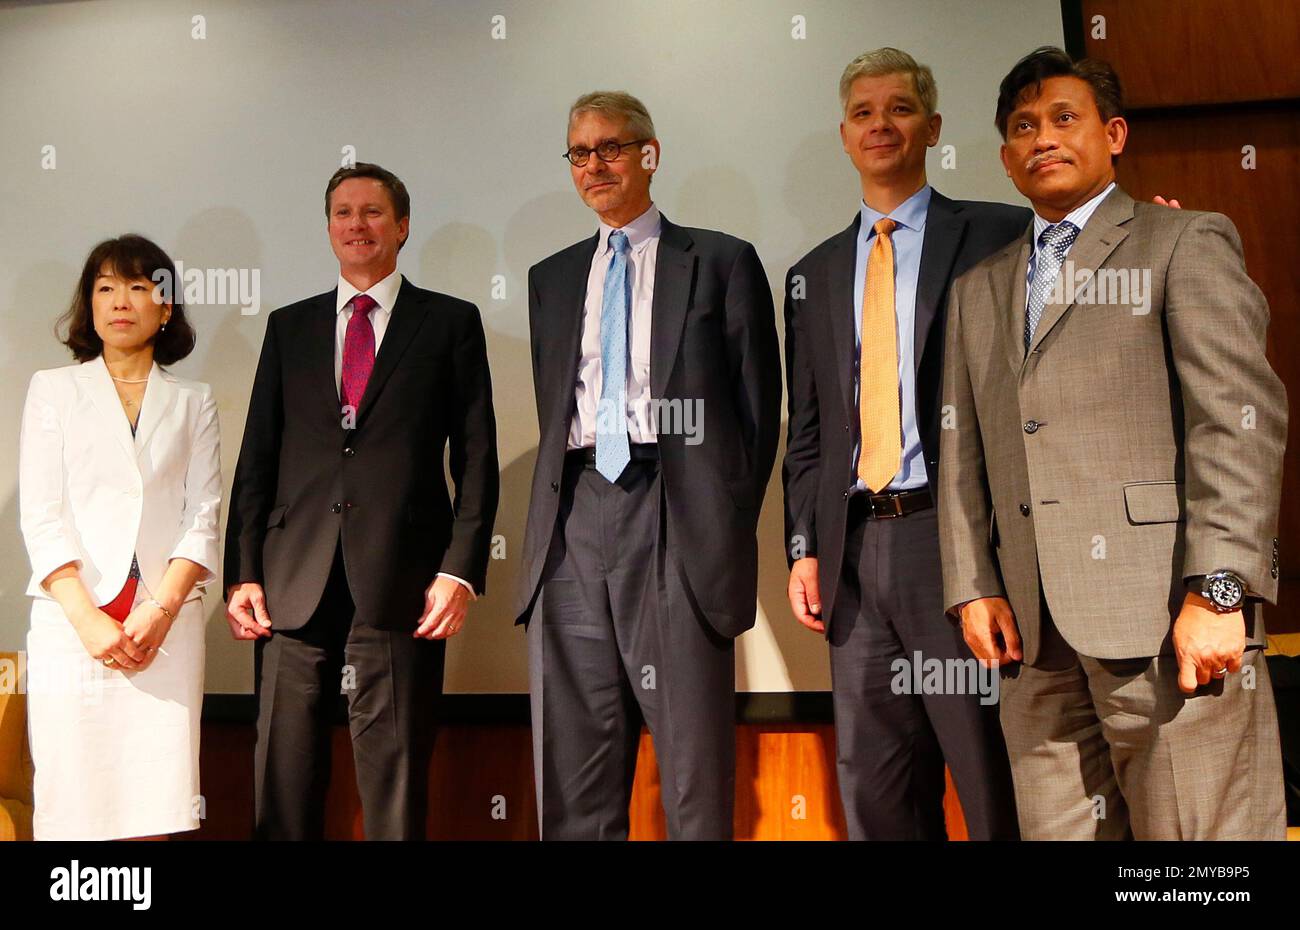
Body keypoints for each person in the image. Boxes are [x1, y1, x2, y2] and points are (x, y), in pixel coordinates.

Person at [939, 46, 1287, 839]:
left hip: (1167, 619)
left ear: (1115, 133)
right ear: (1004, 155)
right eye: (1023, 126)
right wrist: (971, 583)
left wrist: (1219, 591)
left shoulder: (1182, 241)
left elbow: (1237, 424)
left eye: (1066, 118)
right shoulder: (978, 289)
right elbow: (964, 453)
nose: (1043, 138)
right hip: (1032, 640)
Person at [516, 91, 781, 839]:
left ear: (649, 154)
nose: (594, 165)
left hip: (675, 514)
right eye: (579, 153)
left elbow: (757, 417)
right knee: (574, 776)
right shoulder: (553, 277)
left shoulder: (721, 261)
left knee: (694, 778)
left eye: (611, 148)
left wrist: (718, 514)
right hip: (572, 521)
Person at [782, 48, 1022, 840]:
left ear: (933, 126)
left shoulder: (1000, 233)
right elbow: (810, 431)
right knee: (878, 792)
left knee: (989, 773)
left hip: (952, 543)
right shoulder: (812, 272)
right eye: (862, 112)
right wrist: (803, 547)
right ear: (844, 137)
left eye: (899, 108)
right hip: (852, 554)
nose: (880, 124)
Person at [224, 163, 499, 840]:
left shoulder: (450, 323)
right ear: (328, 229)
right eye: (343, 213)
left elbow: (476, 458)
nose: (357, 225)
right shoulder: (289, 328)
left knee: (396, 783)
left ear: (402, 226)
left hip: (402, 581)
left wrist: (459, 569)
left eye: (373, 212)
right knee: (283, 784)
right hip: (292, 581)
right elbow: (257, 456)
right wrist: (243, 571)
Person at [19, 234, 220, 840]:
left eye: (138, 286)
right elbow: (42, 515)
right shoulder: (53, 390)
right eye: (105, 287)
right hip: (72, 625)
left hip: (163, 627)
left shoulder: (194, 401)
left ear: (166, 308)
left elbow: (204, 516)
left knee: (153, 805)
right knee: (73, 804)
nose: (120, 301)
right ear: (89, 305)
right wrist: (88, 621)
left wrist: (159, 611)